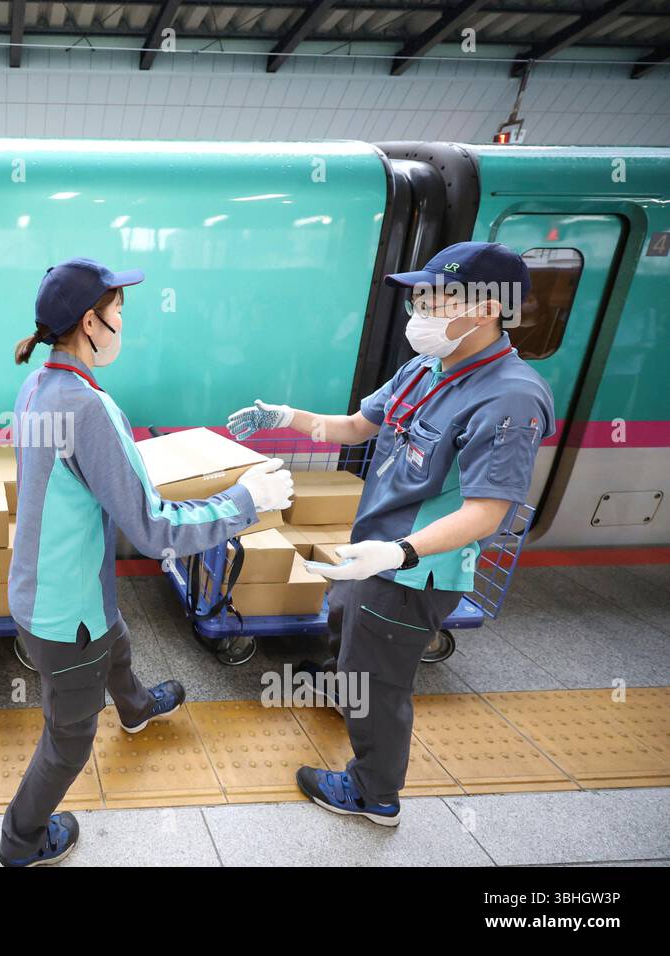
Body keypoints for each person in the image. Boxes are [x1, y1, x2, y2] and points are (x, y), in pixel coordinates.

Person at [227, 241, 555, 826]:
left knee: (378, 685)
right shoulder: (425, 367)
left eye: (436, 295)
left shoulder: (510, 396)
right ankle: (337, 681)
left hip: (414, 568)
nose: (420, 308)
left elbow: (488, 512)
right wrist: (285, 417)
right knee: (344, 621)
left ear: (485, 309)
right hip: (371, 550)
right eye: (420, 294)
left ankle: (374, 793)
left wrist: (398, 551)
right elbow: (356, 426)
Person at [0, 257, 295, 866]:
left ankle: (134, 708)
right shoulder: (90, 407)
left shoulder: (38, 385)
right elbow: (156, 528)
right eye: (119, 314)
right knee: (71, 735)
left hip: (46, 582)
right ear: (90, 322)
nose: (123, 325)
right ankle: (20, 839)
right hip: (64, 609)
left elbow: (80, 480)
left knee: (117, 640)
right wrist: (245, 502)